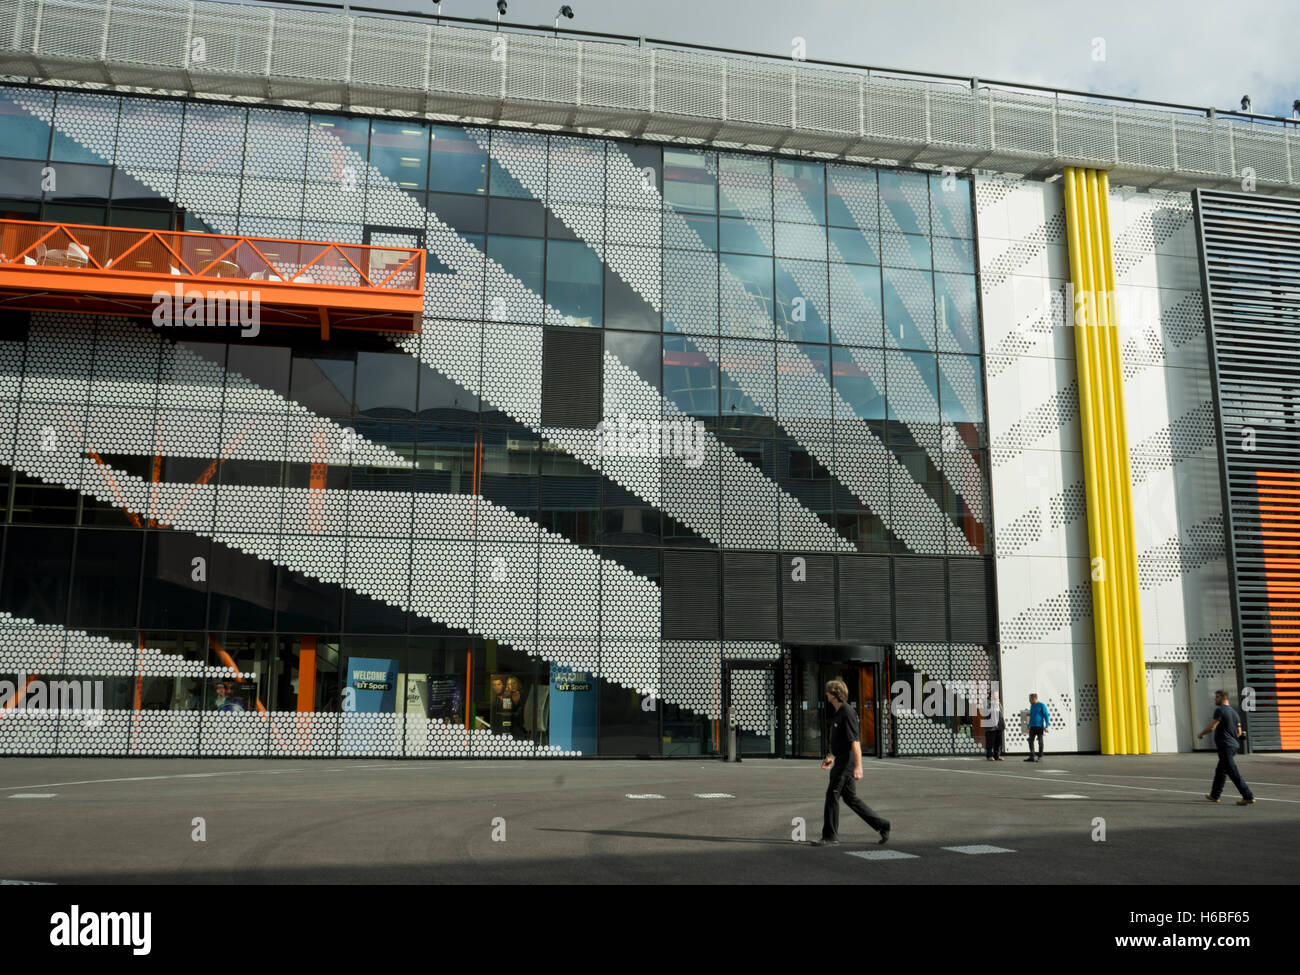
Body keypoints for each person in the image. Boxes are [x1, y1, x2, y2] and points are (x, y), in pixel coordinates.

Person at [811, 679, 890, 847]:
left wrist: (858, 766)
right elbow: (842, 742)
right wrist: (831, 756)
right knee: (851, 799)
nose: (826, 694)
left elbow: (855, 741)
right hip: (841, 759)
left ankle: (830, 836)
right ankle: (882, 825)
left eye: (828, 692)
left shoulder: (847, 713)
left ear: (834, 695)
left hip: (846, 764)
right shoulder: (839, 713)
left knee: (832, 796)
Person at [1197, 690, 1254, 805]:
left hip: (1226, 746)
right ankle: (1215, 795)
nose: (1215, 699)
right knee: (1220, 771)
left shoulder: (1220, 710)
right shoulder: (1235, 713)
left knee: (1232, 771)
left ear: (1223, 698)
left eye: (1217, 697)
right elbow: (1239, 733)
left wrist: (1201, 734)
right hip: (1233, 746)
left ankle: (1248, 796)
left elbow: (1212, 727)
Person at [1024, 693, 1049, 762]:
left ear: (1034, 698)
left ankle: (1040, 756)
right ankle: (1032, 756)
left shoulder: (1041, 705)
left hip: (1039, 727)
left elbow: (1046, 716)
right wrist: (1028, 727)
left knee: (1040, 742)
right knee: (1030, 741)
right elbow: (1031, 717)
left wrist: (1046, 726)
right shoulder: (1032, 706)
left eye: (1030, 699)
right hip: (1032, 727)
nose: (1029, 700)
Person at [983, 690, 1004, 761]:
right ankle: (989, 755)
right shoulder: (987, 702)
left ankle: (997, 755)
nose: (997, 696)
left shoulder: (998, 703)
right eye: (995, 695)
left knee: (998, 741)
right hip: (990, 726)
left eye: (997, 695)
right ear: (991, 695)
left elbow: (1001, 714)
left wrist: (1003, 723)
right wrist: (994, 704)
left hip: (999, 725)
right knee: (990, 742)